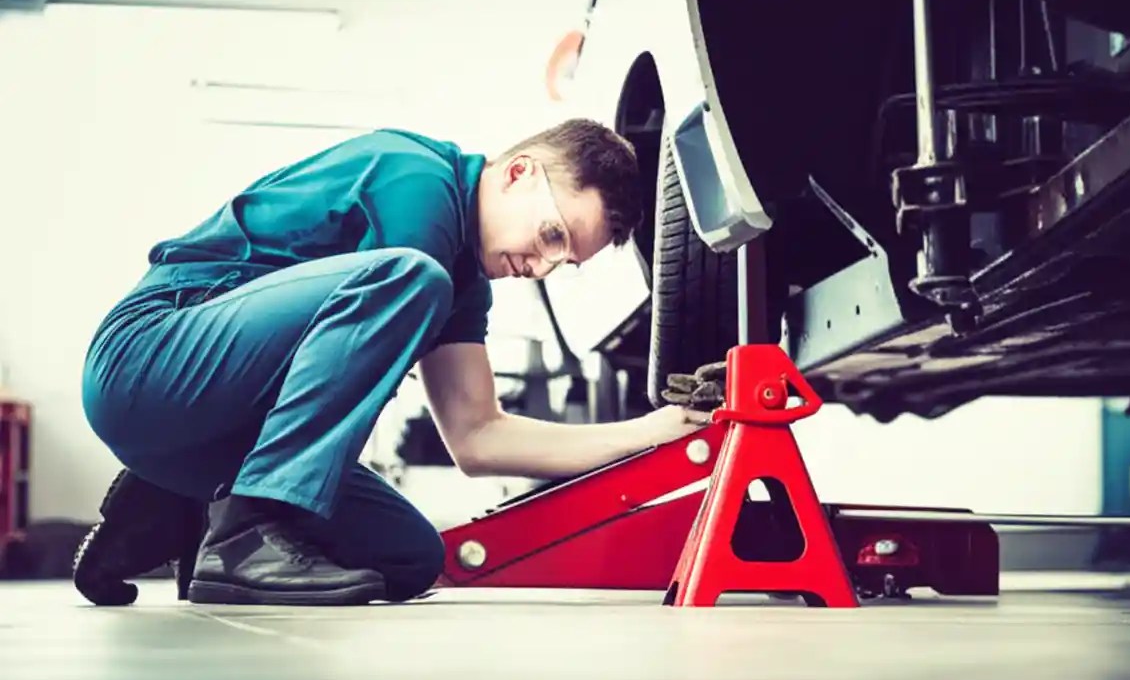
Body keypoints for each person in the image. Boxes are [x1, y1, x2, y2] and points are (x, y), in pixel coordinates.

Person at [72, 119, 710, 607]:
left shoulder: (458, 281)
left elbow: (478, 436)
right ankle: (241, 530)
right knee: (411, 278)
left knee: (408, 557)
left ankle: (163, 510)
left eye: (562, 261)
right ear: (518, 173)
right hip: (146, 359)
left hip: (208, 428)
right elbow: (385, 314)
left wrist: (653, 431)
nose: (540, 268)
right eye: (550, 236)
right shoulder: (417, 182)